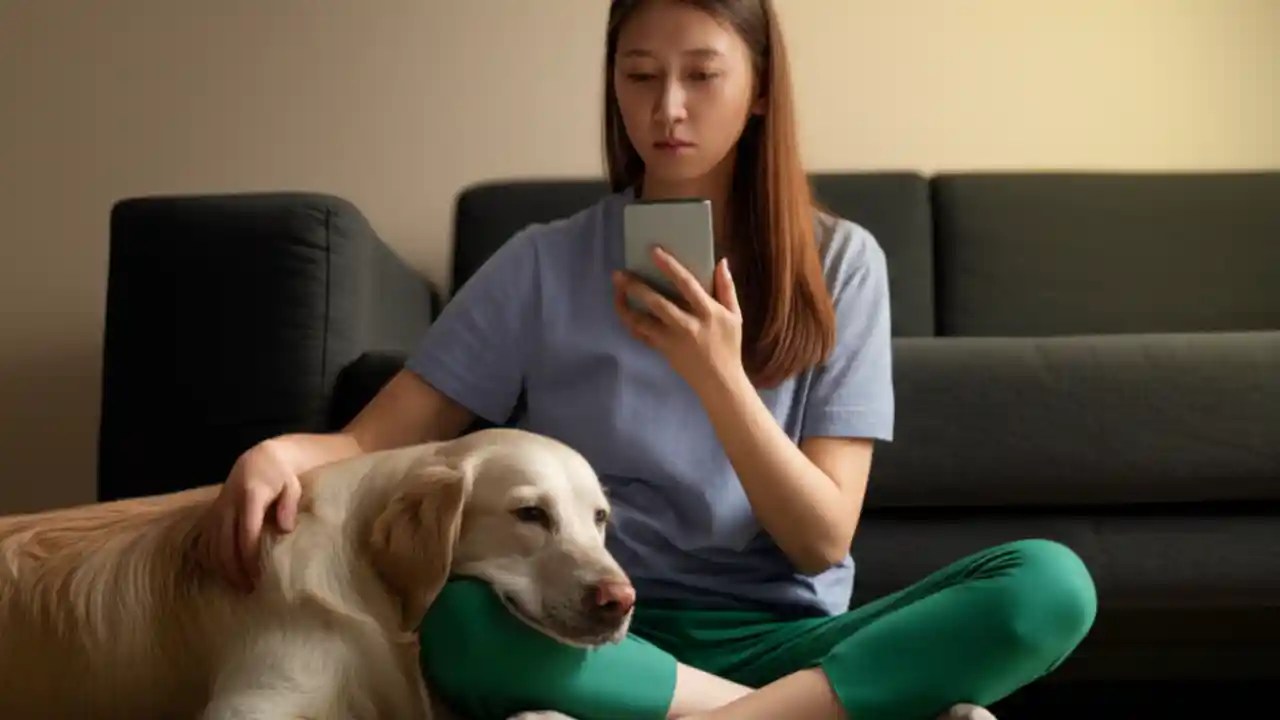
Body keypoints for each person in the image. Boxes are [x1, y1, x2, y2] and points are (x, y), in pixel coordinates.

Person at [200, 1, 1097, 718]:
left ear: (758, 88)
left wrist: (718, 375)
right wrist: (279, 453)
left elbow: (821, 538)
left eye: (702, 75)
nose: (667, 108)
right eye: (639, 75)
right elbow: (375, 438)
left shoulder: (844, 263)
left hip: (789, 642)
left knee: (1049, 588)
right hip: (596, 633)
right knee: (458, 621)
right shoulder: (541, 263)